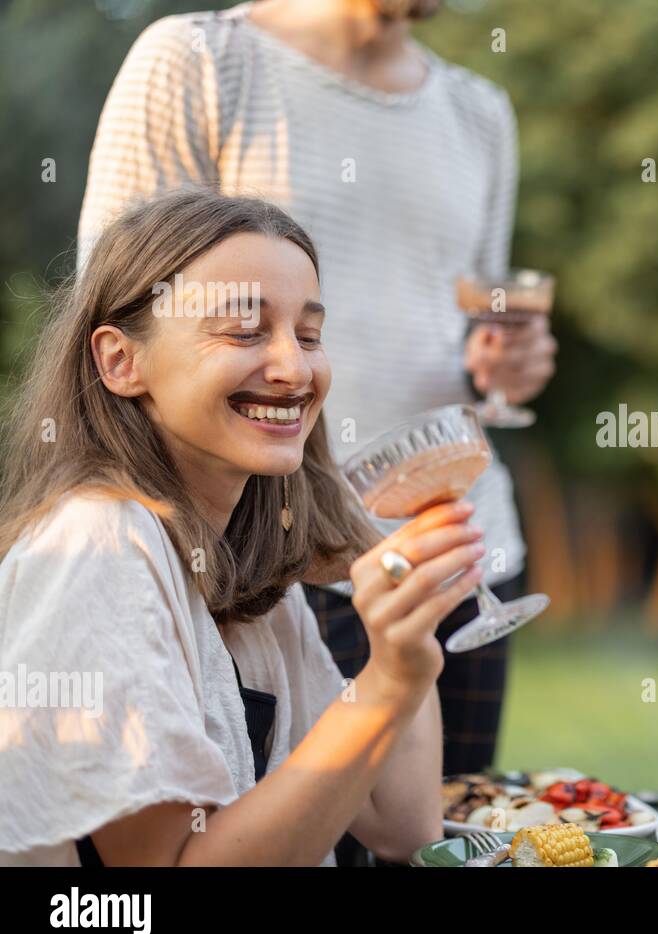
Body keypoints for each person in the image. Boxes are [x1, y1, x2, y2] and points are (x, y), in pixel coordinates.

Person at [77, 0, 556, 784]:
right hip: (273, 565)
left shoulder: (479, 112)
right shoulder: (197, 60)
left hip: (461, 550)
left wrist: (507, 363)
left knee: (441, 836)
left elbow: (470, 318)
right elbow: (123, 321)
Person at [0, 190, 484, 865]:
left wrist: (401, 646)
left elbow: (403, 824)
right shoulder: (96, 545)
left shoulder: (248, 567)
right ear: (120, 361)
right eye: (243, 330)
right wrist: (380, 691)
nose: (294, 368)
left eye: (309, 334)